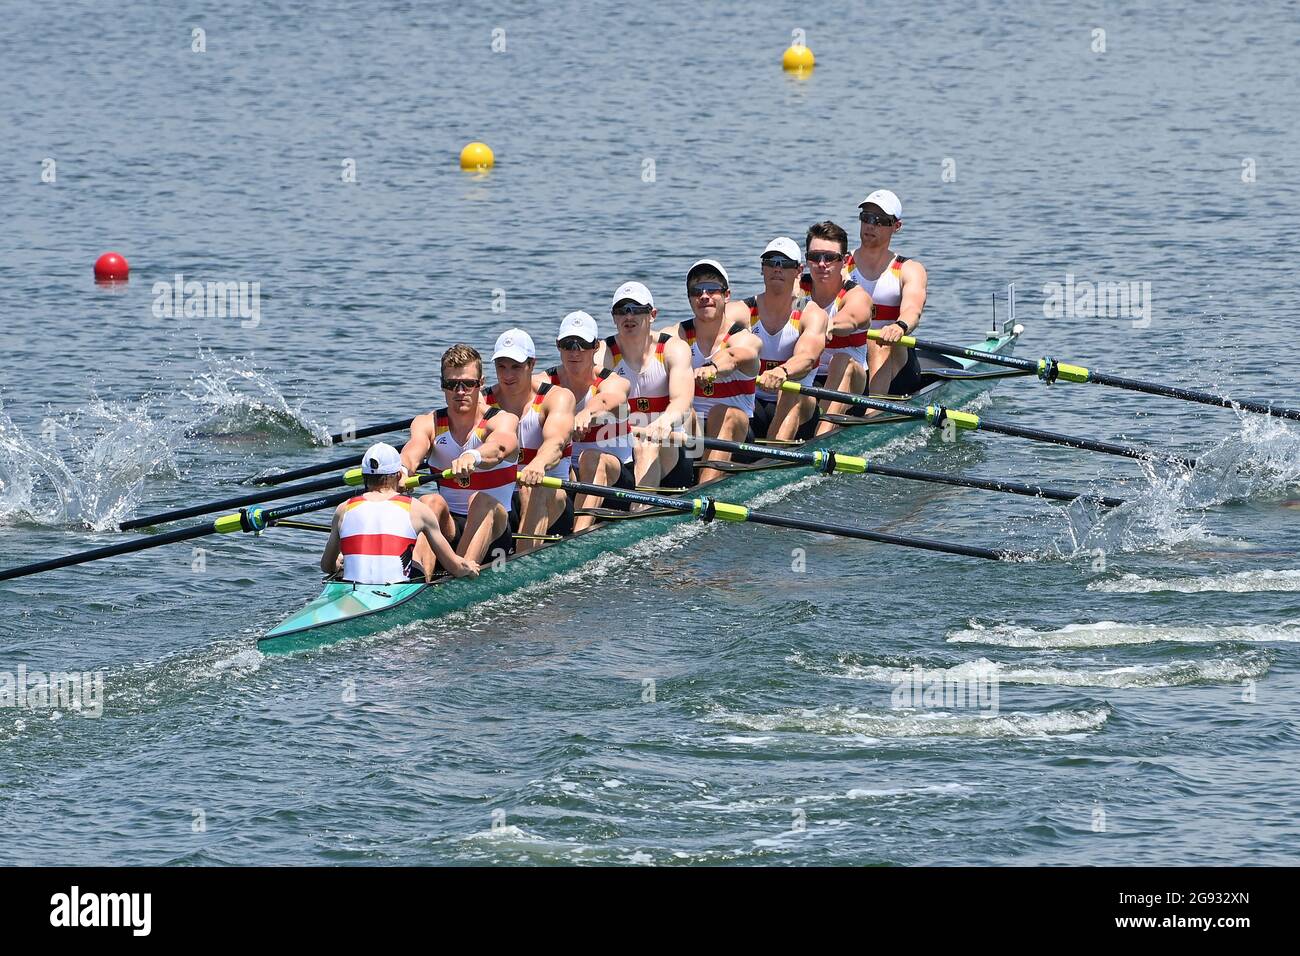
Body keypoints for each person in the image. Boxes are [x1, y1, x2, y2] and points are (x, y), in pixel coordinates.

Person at [400, 344, 521, 567]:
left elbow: (501, 446)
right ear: (442, 386)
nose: (460, 391)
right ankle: (414, 578)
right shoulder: (428, 423)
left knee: (481, 500)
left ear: (481, 384)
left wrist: (473, 456)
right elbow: (412, 450)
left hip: (497, 528)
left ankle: (460, 574)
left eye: (468, 384)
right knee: (429, 501)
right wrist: (402, 470)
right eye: (452, 384)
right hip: (451, 529)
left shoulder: (502, 420)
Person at [319, 442, 478, 584]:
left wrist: (339, 563)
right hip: (398, 590)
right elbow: (454, 567)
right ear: (400, 475)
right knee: (415, 562)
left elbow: (326, 566)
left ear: (363, 477)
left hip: (354, 588)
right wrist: (468, 568)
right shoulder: (417, 509)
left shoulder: (343, 509)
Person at [537, 311, 636, 531]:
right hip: (569, 476)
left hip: (617, 483)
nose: (575, 351)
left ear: (596, 347)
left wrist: (586, 414)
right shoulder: (544, 383)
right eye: (568, 344)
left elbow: (612, 398)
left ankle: (577, 535)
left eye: (582, 344)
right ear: (558, 345)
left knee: (591, 458)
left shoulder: (613, 381)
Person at [663, 259, 761, 481]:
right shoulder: (675, 336)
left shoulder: (744, 337)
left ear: (727, 295)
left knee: (722, 412)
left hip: (739, 436)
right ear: (689, 298)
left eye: (712, 289)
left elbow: (737, 355)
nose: (704, 296)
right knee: (682, 413)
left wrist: (713, 368)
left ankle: (704, 488)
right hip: (693, 435)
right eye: (696, 291)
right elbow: (641, 345)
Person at [594, 281, 697, 491]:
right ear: (614, 317)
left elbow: (682, 400)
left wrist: (664, 422)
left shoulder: (673, 348)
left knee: (646, 445)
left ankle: (639, 510)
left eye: (636, 310)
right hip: (624, 448)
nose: (629, 316)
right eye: (622, 311)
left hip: (669, 446)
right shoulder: (603, 353)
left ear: (652, 314)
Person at [484, 328, 576, 554]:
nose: (507, 375)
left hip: (552, 499)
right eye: (501, 367)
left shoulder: (557, 397)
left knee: (533, 490)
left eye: (516, 367)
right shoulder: (483, 401)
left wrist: (538, 464)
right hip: (506, 501)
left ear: (532, 365)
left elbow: (556, 442)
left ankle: (521, 562)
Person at [745, 237, 828, 441]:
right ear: (762, 268)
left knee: (792, 391)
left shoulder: (812, 313)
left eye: (785, 264)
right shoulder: (743, 310)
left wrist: (782, 371)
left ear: (798, 271)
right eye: (771, 262)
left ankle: (771, 461)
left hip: (798, 406)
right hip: (753, 405)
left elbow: (807, 357)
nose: (777, 269)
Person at [849, 189, 929, 396]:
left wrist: (899, 326)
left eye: (880, 220)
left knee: (879, 342)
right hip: (849, 356)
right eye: (866, 217)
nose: (870, 225)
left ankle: (874, 412)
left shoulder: (908, 269)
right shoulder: (838, 265)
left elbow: (913, 308)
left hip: (896, 363)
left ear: (896, 227)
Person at [798, 221, 875, 434]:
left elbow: (851, 317)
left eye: (830, 257)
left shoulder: (856, 296)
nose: (821, 264)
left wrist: (826, 325)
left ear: (845, 261)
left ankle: (821, 438)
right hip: (808, 379)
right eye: (815, 257)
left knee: (842, 361)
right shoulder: (796, 291)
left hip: (853, 384)